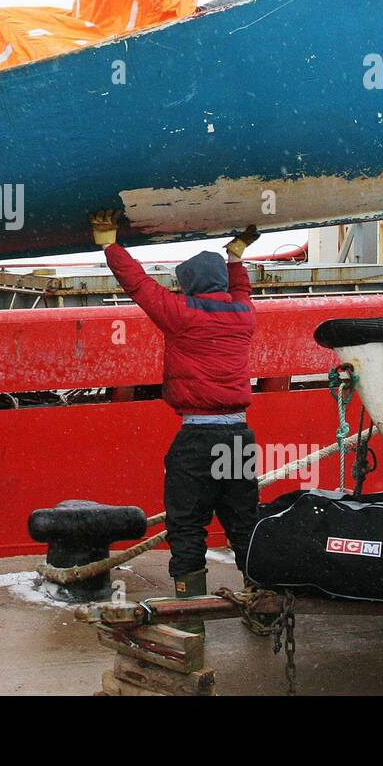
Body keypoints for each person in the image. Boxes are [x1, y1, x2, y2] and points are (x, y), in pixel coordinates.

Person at [90, 210, 259, 598]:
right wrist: (236, 255)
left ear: (190, 286)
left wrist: (109, 243)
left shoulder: (180, 316)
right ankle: (262, 600)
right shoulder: (244, 316)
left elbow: (138, 285)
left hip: (197, 438)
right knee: (245, 524)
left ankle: (191, 614)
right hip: (238, 437)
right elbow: (242, 291)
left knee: (186, 527)